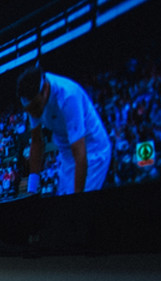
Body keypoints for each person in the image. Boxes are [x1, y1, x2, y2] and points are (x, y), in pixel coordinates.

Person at [17, 62, 112, 196]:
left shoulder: (68, 96)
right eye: (29, 110)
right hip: (67, 155)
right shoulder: (33, 103)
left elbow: (80, 152)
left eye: (35, 108)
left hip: (92, 150)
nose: (33, 114)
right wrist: (31, 189)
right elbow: (37, 142)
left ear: (44, 89)